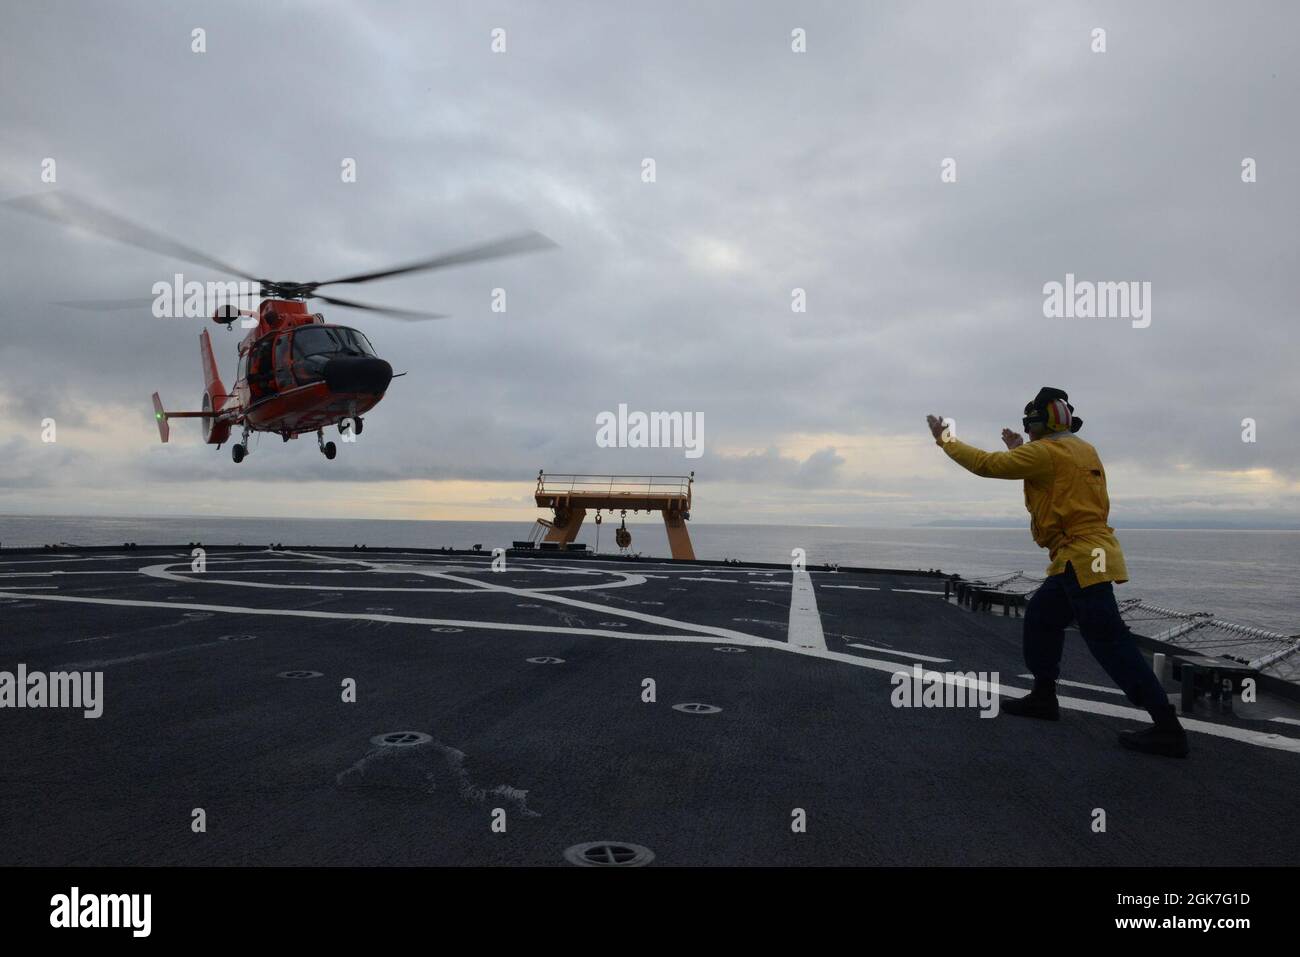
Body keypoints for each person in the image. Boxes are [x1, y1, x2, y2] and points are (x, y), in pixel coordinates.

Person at [926, 388, 1188, 758]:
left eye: (1029, 426)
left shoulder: (1044, 452)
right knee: (1041, 620)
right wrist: (1020, 449)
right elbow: (1056, 480)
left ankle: (1167, 727)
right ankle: (1043, 698)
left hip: (1080, 557)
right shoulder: (1083, 449)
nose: (1028, 432)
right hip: (1085, 555)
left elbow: (986, 464)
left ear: (1039, 425)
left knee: (1109, 641)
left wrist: (945, 439)